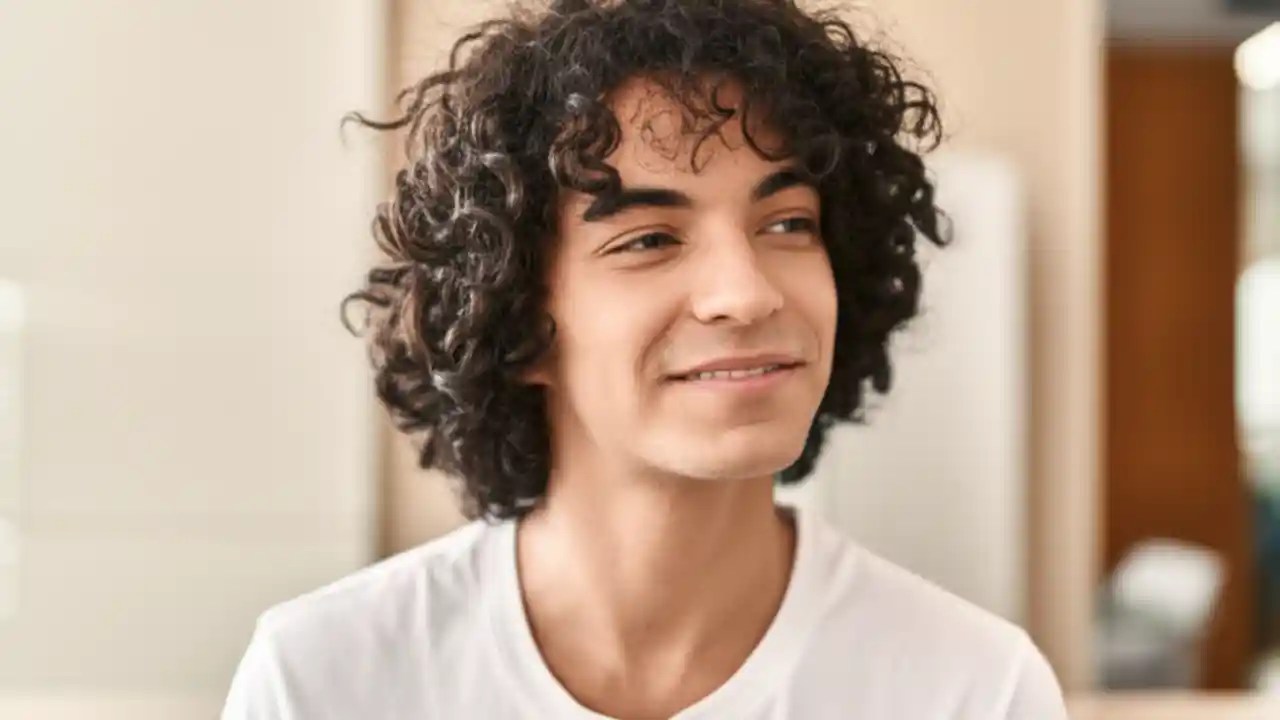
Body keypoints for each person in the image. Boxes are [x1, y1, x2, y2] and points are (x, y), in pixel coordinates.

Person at [222, 1, 1068, 717]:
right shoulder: (324, 682)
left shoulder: (975, 693)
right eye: (651, 238)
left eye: (787, 225)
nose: (747, 293)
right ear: (516, 319)